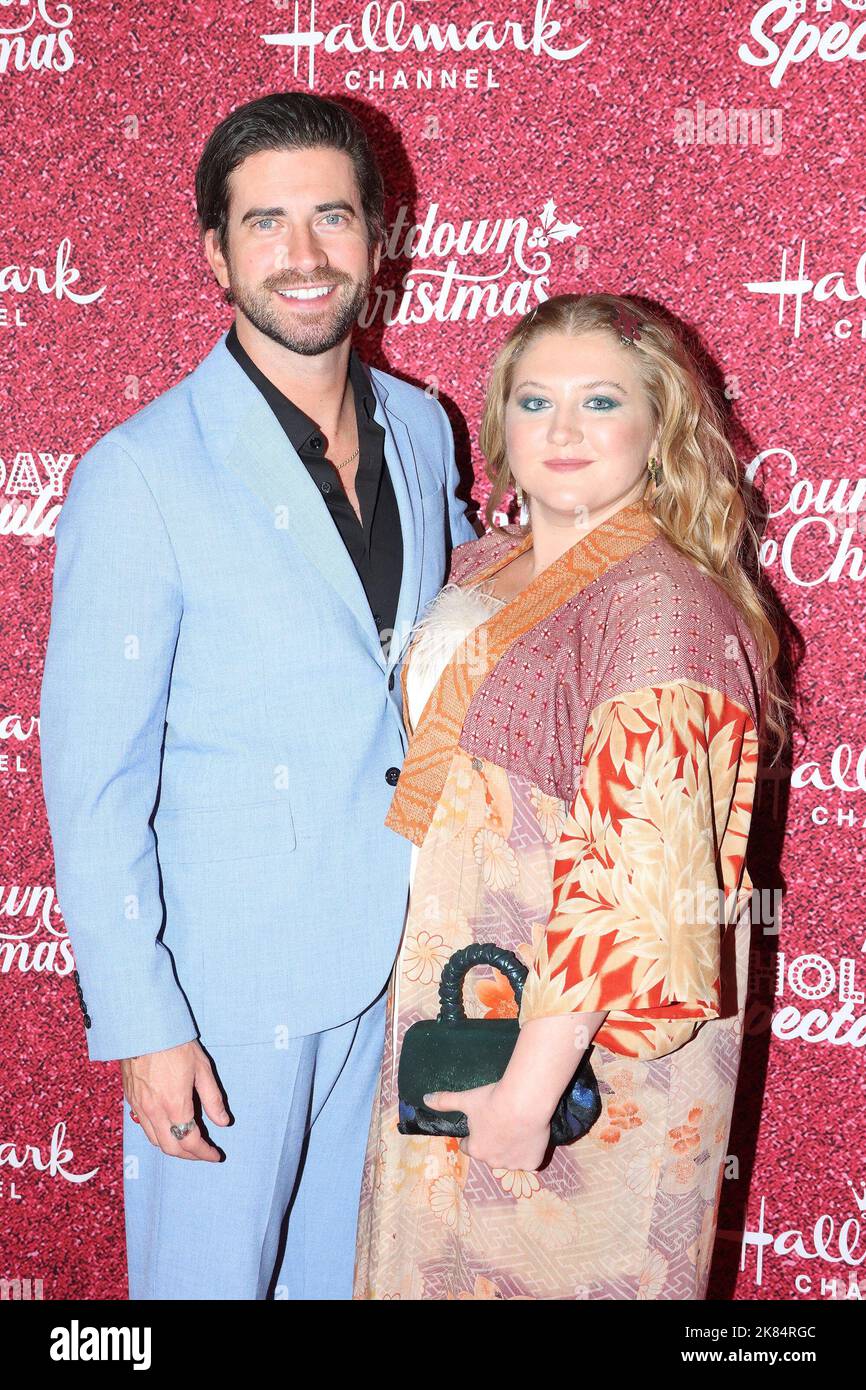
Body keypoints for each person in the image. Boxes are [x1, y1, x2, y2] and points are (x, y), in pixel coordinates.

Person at [38, 91, 477, 1301]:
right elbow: (93, 777)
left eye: (331, 217)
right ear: (214, 253)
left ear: (377, 238)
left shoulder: (424, 428)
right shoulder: (141, 471)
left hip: (405, 968)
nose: (302, 255)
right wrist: (141, 1021)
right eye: (265, 222)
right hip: (225, 996)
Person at [353, 291, 788, 1301]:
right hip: (458, 999)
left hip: (574, 1054)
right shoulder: (484, 564)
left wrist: (529, 1089)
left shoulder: (659, 606)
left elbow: (637, 875)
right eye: (533, 402)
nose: (560, 430)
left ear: (658, 423)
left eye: (598, 402)